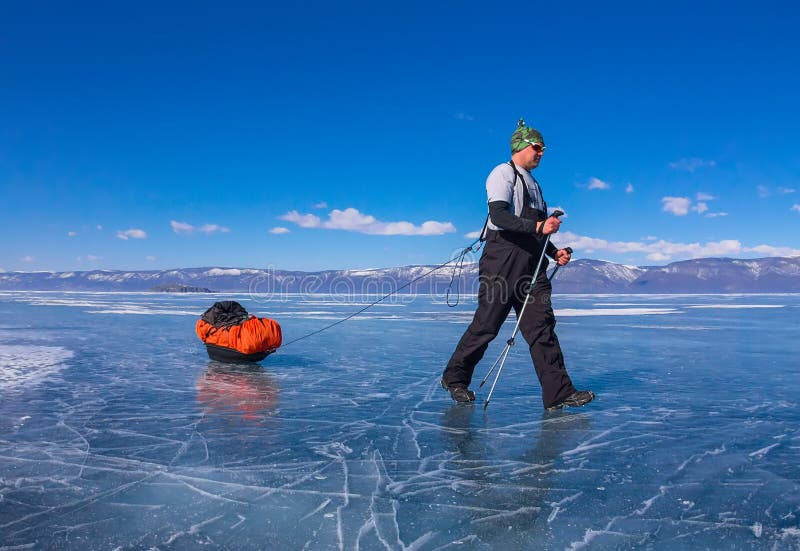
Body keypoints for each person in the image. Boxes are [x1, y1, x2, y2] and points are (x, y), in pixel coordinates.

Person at [441, 119, 595, 411]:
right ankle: (455, 378)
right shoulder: (503, 173)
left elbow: (536, 231)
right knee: (487, 326)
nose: (541, 153)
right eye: (537, 147)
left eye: (543, 149)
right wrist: (539, 228)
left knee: (542, 329)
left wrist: (553, 252)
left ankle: (558, 393)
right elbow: (499, 217)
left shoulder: (535, 185)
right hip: (502, 264)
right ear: (521, 146)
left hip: (532, 268)